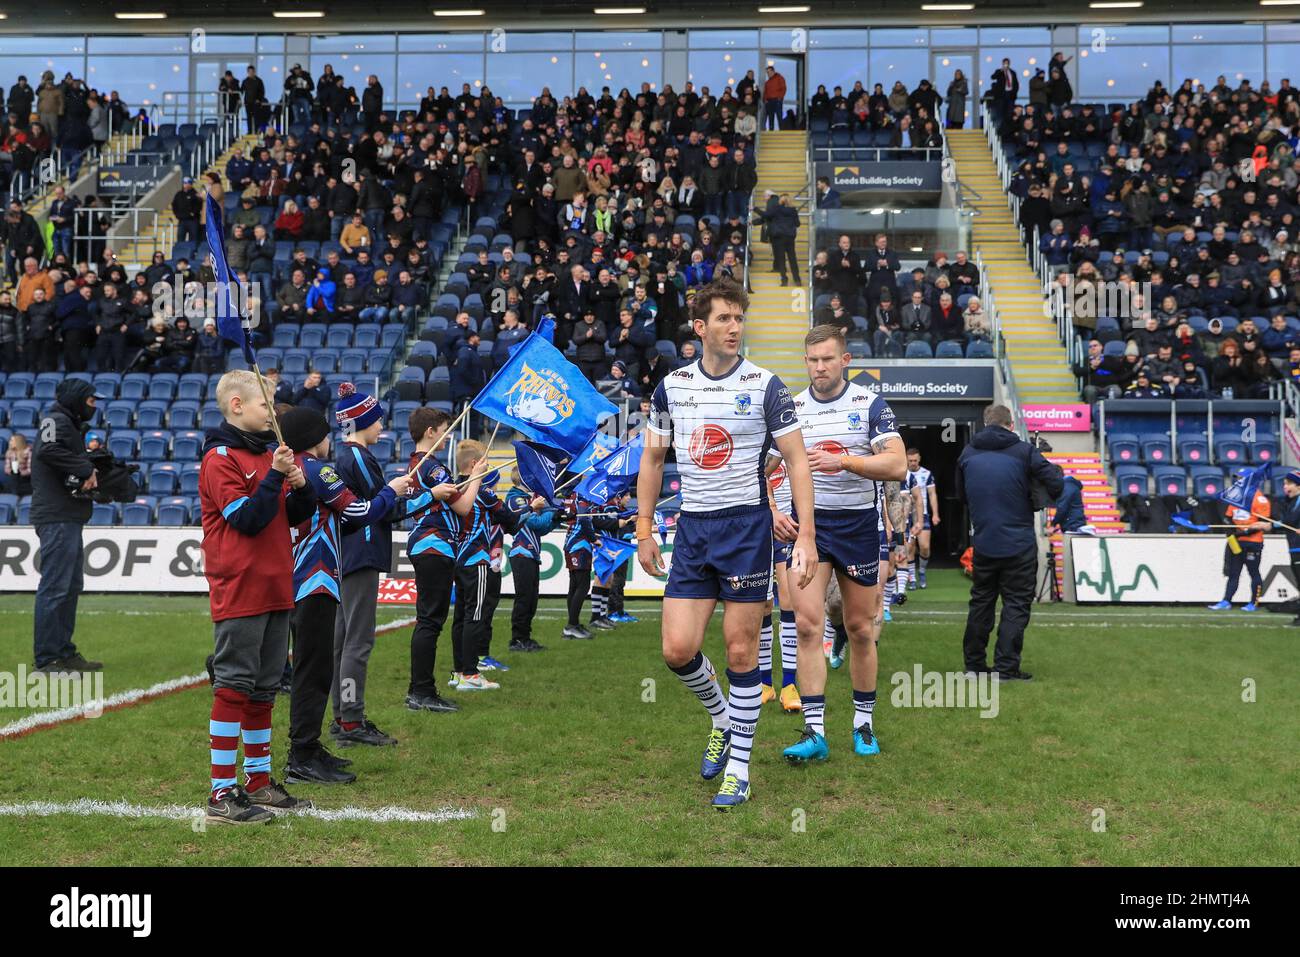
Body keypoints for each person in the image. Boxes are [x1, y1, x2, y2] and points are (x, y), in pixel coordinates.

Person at [635, 277, 817, 811]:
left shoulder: (766, 385)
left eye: (739, 318)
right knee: (677, 649)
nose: (734, 327)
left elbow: (798, 460)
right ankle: (721, 717)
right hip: (692, 530)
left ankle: (738, 770)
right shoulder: (671, 387)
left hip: (744, 529)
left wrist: (805, 532)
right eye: (723, 318)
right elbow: (651, 459)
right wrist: (645, 528)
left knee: (740, 650)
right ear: (700, 328)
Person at [779, 325, 907, 766]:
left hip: (858, 528)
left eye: (827, 359)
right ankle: (814, 731)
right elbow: (767, 468)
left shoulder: (869, 405)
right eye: (812, 360)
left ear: (845, 360)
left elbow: (895, 464)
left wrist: (844, 460)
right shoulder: (791, 409)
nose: (819, 368)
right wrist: (776, 511)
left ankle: (862, 722)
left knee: (859, 629)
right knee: (808, 627)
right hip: (809, 530)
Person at [199, 370, 317, 824]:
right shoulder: (220, 458)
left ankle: (258, 781)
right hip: (241, 584)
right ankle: (220, 793)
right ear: (236, 406)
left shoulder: (268, 454)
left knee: (265, 689)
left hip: (275, 583)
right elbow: (246, 518)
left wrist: (299, 484)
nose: (273, 413)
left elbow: (293, 515)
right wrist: (275, 479)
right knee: (234, 685)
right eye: (266, 405)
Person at [279, 407, 412, 786]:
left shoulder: (292, 468)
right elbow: (357, 511)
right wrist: (392, 491)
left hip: (303, 576)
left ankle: (309, 747)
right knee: (313, 670)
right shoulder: (317, 469)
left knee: (316, 666)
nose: (330, 439)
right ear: (313, 438)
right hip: (315, 577)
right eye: (324, 433)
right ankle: (302, 754)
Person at [955, 404, 1064, 682]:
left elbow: (961, 495)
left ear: (985, 423)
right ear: (1011, 424)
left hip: (984, 541)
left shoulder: (968, 452)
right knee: (1015, 604)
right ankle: (1005, 668)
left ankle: (975, 666)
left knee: (981, 602)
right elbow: (1056, 483)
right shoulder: (1024, 451)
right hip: (1019, 543)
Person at [328, 383, 403, 745]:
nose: (381, 429)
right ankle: (351, 722)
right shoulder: (357, 457)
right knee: (357, 642)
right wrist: (417, 495)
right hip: (361, 553)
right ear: (361, 422)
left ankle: (342, 716)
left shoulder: (348, 456)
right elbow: (382, 506)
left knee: (343, 642)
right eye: (376, 422)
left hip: (348, 554)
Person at [30, 379, 104, 674]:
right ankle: (47, 658)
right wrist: (84, 467)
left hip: (68, 515)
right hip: (56, 516)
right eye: (90, 400)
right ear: (76, 399)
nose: (94, 406)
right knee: (56, 587)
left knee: (70, 585)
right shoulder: (55, 420)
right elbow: (47, 450)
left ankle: (64, 651)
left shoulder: (68, 424)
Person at [405, 407, 475, 713]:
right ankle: (421, 691)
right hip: (434, 546)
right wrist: (475, 477)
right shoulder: (432, 467)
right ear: (431, 431)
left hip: (429, 546)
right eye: (445, 430)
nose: (448, 437)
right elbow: (464, 507)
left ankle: (421, 690)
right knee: (430, 621)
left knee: (429, 620)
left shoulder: (416, 464)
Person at [760, 447, 802, 713]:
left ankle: (789, 684)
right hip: (761, 523)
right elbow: (756, 474)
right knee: (762, 605)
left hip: (791, 526)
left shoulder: (798, 433)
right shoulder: (760, 435)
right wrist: (772, 506)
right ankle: (765, 684)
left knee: (789, 601)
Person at [505, 466, 560, 652]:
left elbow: (542, 529)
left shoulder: (530, 500)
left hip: (531, 553)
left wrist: (557, 518)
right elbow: (534, 522)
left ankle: (525, 637)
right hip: (521, 552)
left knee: (531, 600)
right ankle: (517, 639)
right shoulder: (515, 498)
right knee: (523, 599)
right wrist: (551, 512)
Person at [1208, 468, 1271, 612]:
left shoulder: (1260, 499)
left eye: (1240, 478)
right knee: (1233, 573)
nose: (1237, 481)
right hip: (1237, 541)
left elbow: (1262, 523)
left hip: (1253, 543)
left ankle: (1253, 603)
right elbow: (1228, 517)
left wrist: (1242, 532)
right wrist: (1229, 529)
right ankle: (1226, 601)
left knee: (1253, 572)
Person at [905, 447, 939, 589]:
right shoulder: (901, 474)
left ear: (919, 459)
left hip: (922, 514)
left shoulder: (926, 474)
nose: (913, 463)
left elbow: (932, 494)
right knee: (909, 547)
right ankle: (912, 578)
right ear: (906, 459)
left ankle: (922, 571)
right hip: (906, 515)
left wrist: (936, 514)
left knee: (924, 547)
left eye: (915, 460)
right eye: (910, 460)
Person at [1275, 471, 1300, 626]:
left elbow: (1289, 521)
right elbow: (1286, 522)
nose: (1285, 487)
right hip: (1294, 548)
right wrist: (1268, 525)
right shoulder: (1289, 502)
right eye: (1284, 484)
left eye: (1288, 483)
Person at [762, 65, 786, 132]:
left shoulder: (780, 78)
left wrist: (780, 98)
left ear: (773, 71)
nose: (768, 74)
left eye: (769, 72)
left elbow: (783, 88)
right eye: (767, 72)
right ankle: (771, 131)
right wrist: (765, 100)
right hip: (769, 101)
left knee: (779, 116)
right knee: (770, 117)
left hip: (777, 100)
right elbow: (765, 92)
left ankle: (782, 131)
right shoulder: (767, 82)